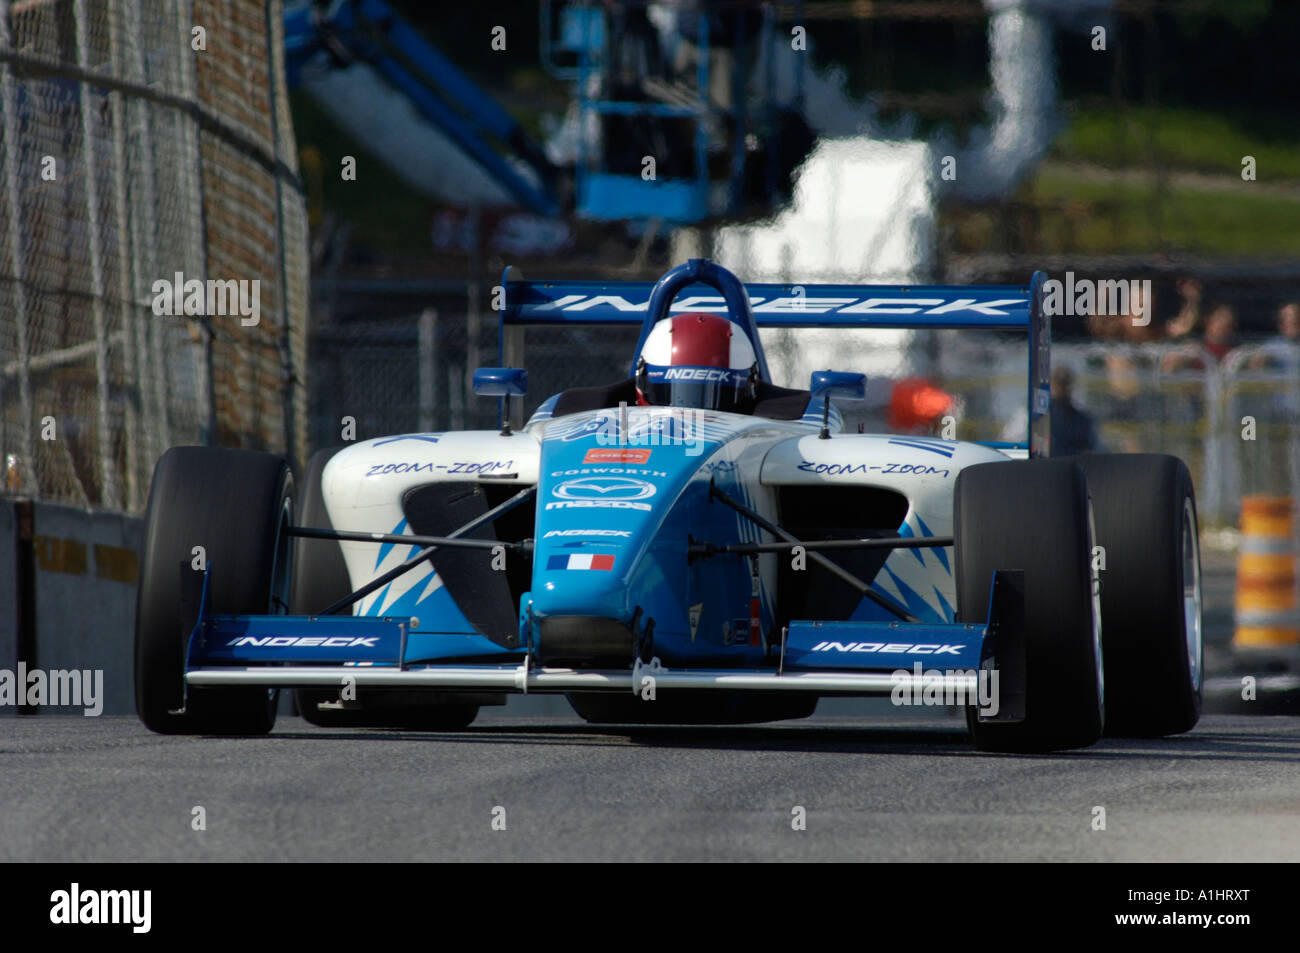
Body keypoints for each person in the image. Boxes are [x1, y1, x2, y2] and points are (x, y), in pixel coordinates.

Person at [635, 312, 760, 413]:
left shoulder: (775, 424)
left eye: (724, 398)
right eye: (681, 398)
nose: (693, 417)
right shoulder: (618, 410)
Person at [1049, 365, 1102, 456]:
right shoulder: (1037, 416)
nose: (1061, 389)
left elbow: (1092, 449)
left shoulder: (1083, 420)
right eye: (1058, 384)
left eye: (1065, 384)